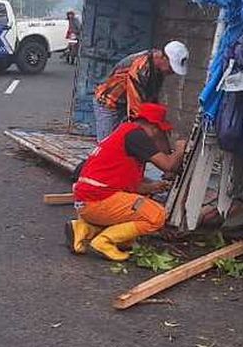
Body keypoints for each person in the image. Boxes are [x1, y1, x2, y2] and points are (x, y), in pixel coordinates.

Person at [67, 103, 186, 261]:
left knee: (141, 204)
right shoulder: (137, 136)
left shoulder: (124, 133)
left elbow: (131, 186)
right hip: (98, 200)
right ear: (154, 127)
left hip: (87, 202)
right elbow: (168, 165)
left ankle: (84, 229)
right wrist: (180, 149)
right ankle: (105, 241)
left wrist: (153, 187)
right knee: (156, 215)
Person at [92, 41, 189, 141]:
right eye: (171, 68)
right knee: (108, 143)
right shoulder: (142, 67)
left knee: (124, 140)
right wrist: (144, 125)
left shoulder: (158, 69)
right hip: (108, 101)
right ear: (163, 57)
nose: (171, 72)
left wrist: (158, 121)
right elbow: (135, 100)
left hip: (124, 103)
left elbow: (152, 98)